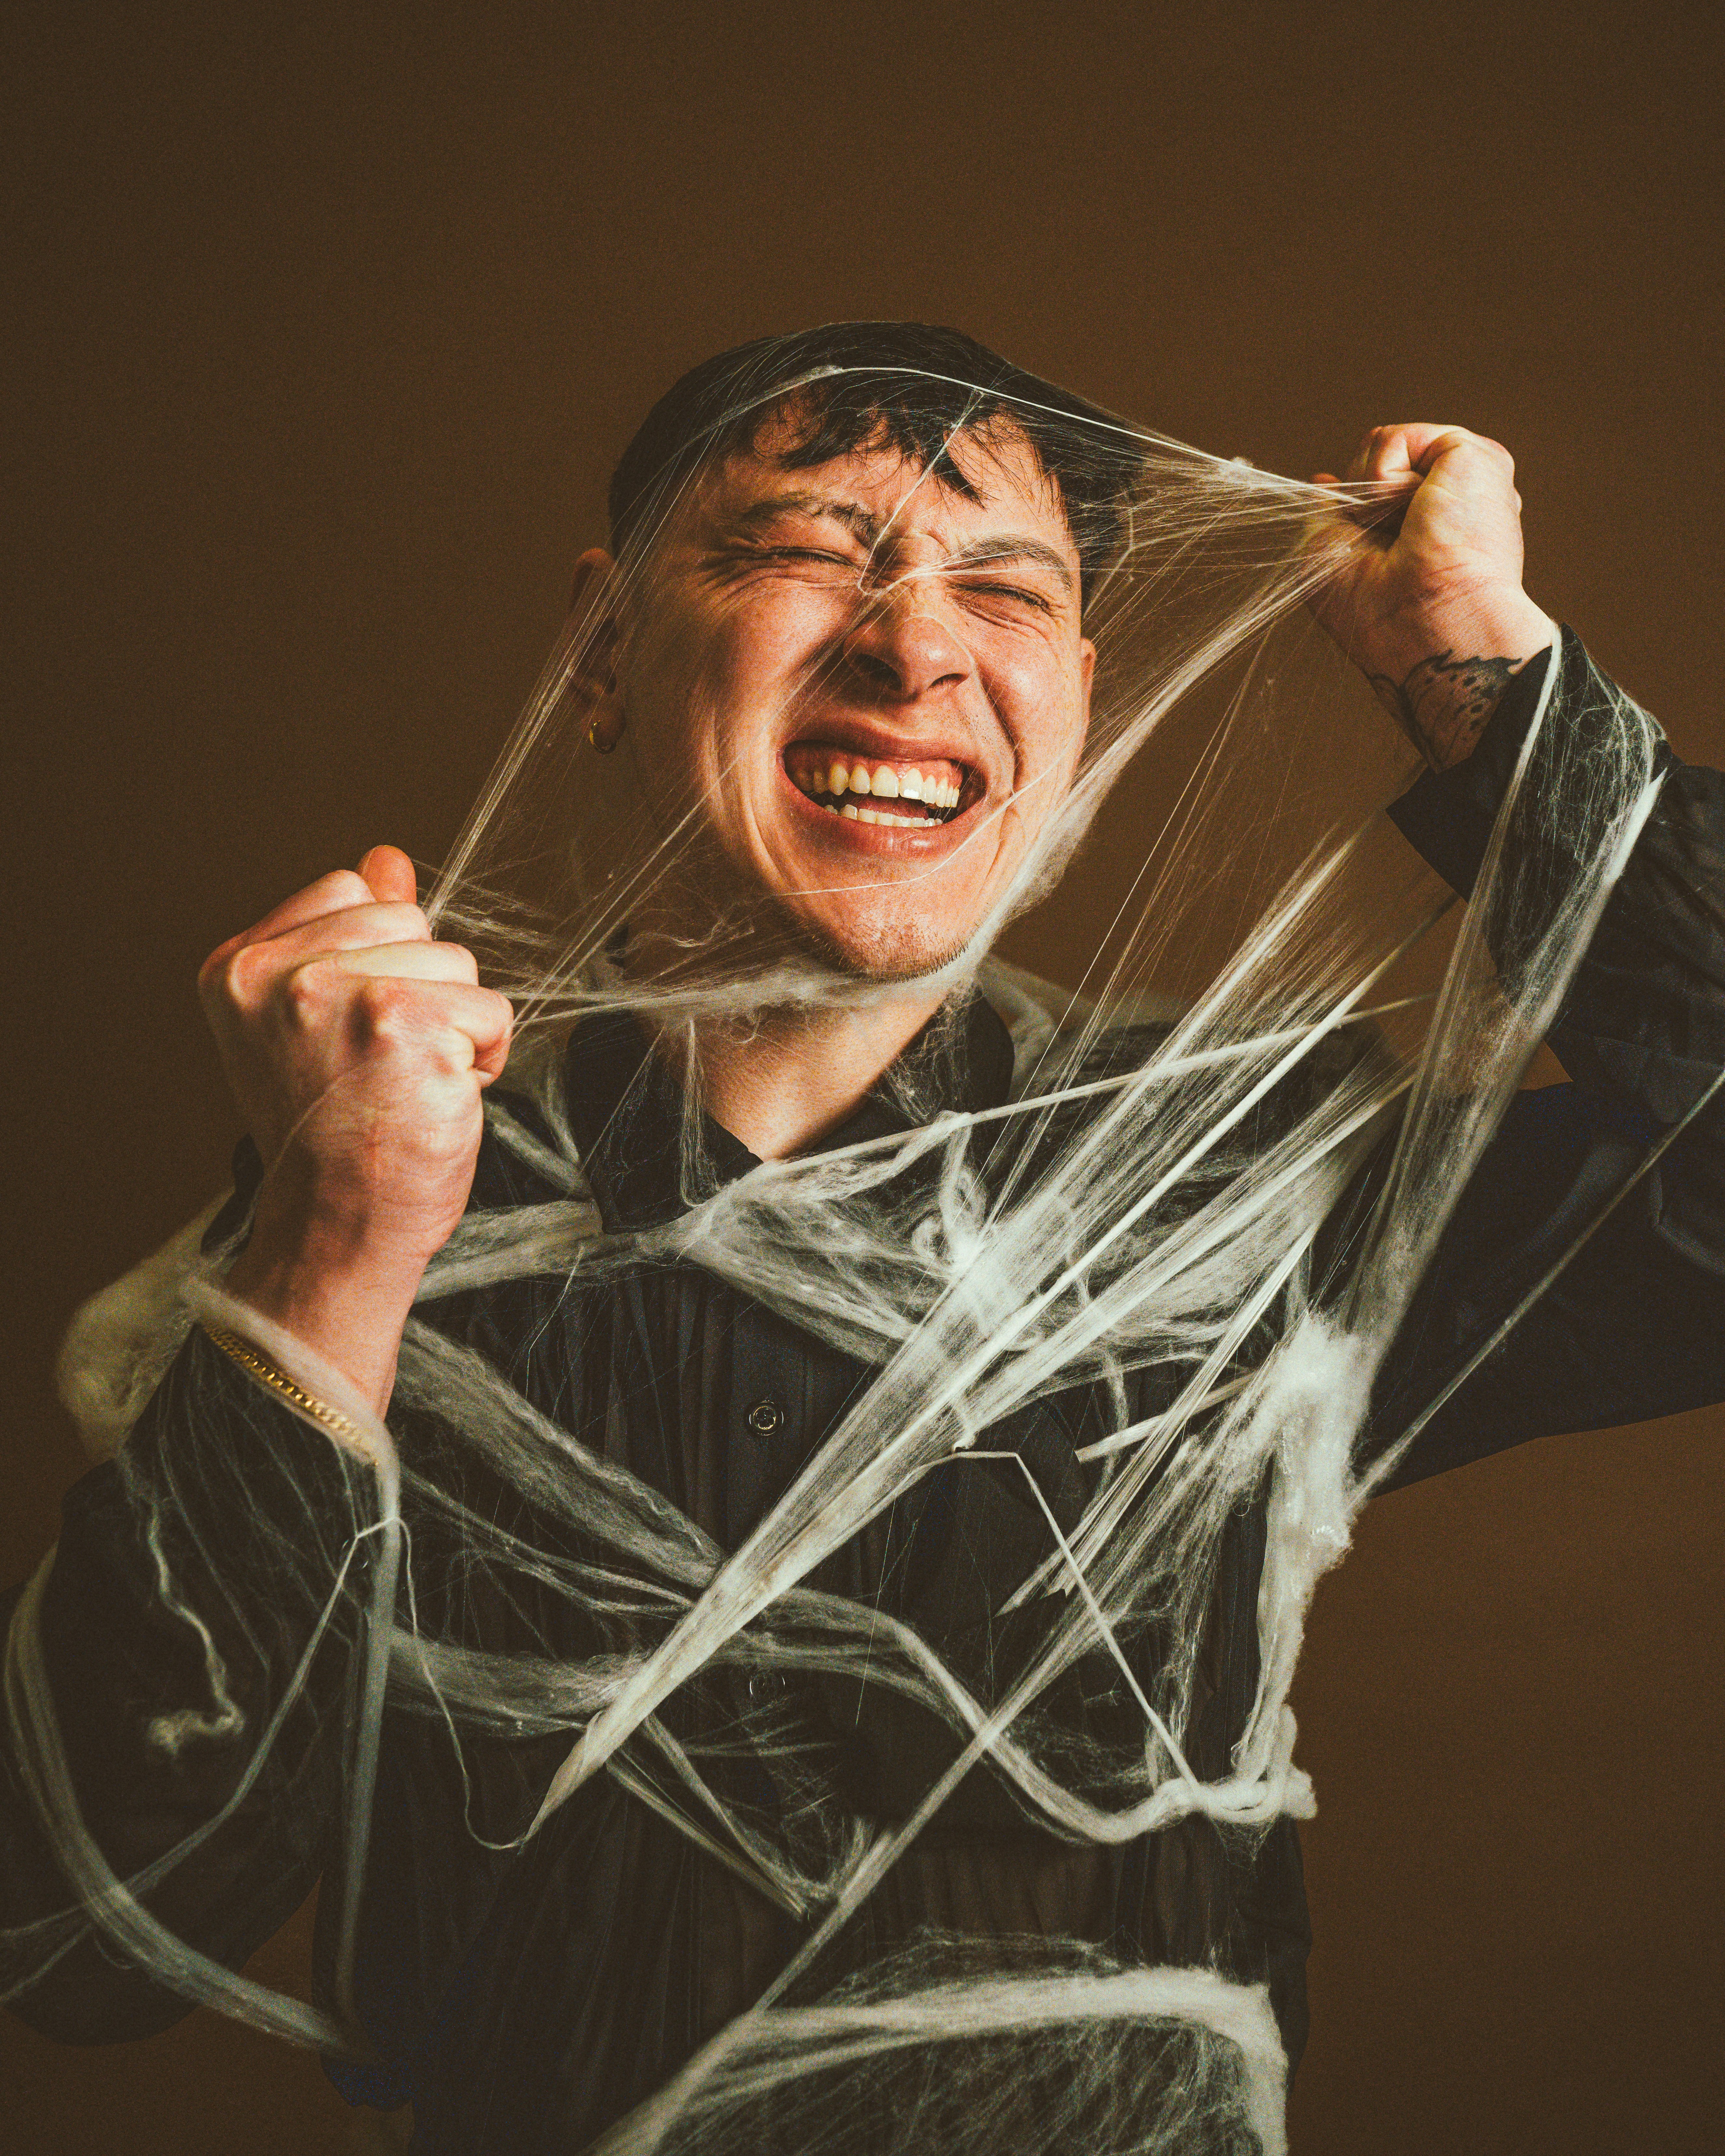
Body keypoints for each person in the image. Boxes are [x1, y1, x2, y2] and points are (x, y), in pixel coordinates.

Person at [4, 323, 1723, 2154]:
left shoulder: (1234, 1188)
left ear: (1074, 696)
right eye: (805, 553)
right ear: (600, 648)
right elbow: (77, 1949)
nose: (915, 648)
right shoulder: (382, 1201)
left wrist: (1475, 670)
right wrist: (330, 1252)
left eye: (1002, 591)